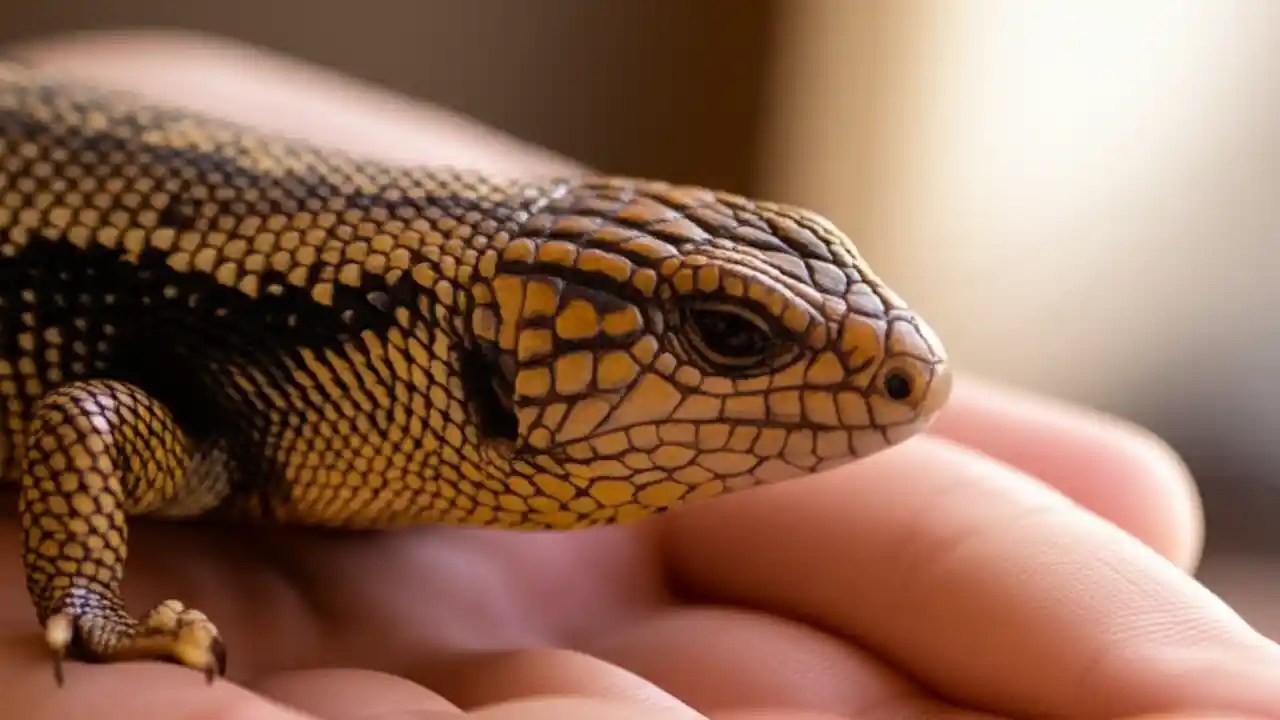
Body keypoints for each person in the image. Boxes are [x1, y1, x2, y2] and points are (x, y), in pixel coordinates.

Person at [2, 31, 1277, 720]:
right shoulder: (255, 392)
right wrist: (88, 610)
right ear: (501, 359)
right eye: (724, 338)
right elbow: (86, 423)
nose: (898, 382)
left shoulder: (335, 386)